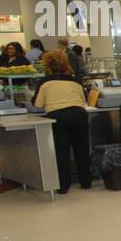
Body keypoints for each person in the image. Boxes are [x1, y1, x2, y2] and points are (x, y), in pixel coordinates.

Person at [32, 50, 92, 193]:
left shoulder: (45, 82)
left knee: (61, 152)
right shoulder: (75, 81)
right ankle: (86, 182)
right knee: (82, 150)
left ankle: (64, 186)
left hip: (57, 117)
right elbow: (83, 100)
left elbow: (37, 104)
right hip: (78, 114)